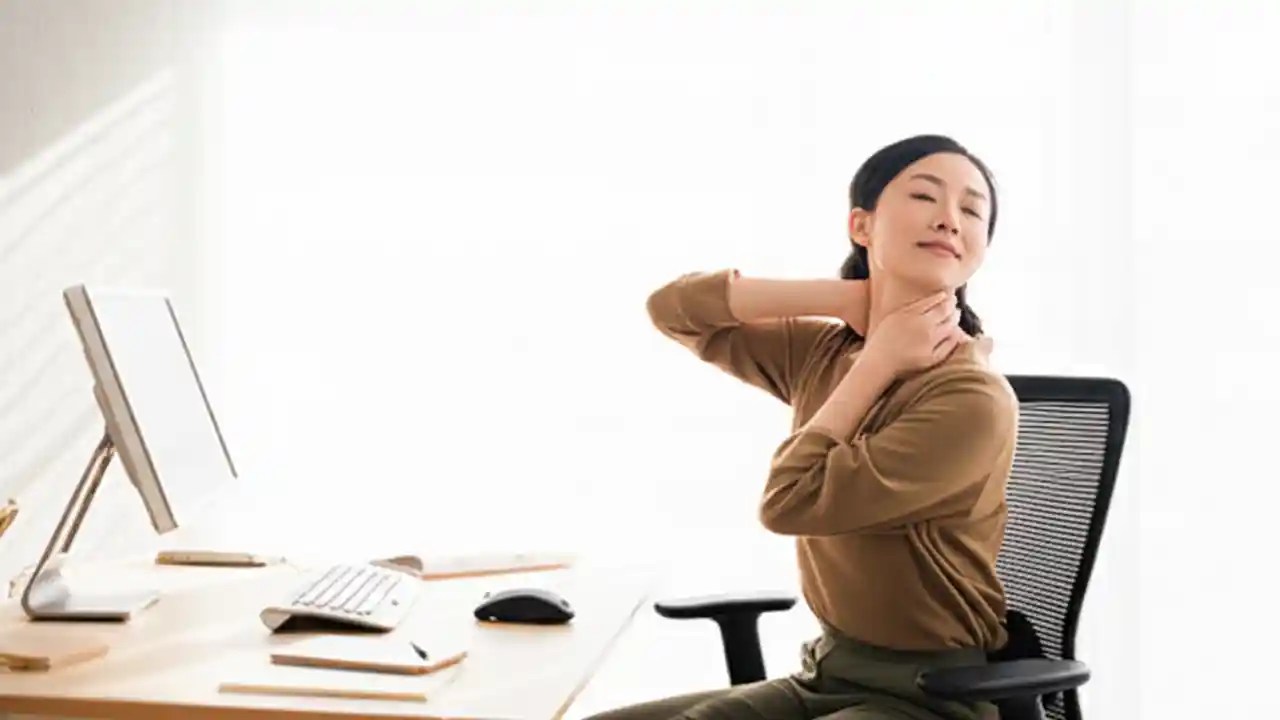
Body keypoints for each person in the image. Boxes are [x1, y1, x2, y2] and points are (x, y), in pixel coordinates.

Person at [589, 135, 1018, 720]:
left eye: (971, 210)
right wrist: (843, 298)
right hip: (828, 673)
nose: (949, 219)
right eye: (925, 196)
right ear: (861, 225)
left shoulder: (972, 397)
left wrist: (879, 360)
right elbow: (673, 310)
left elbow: (790, 501)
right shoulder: (827, 350)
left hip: (932, 699)